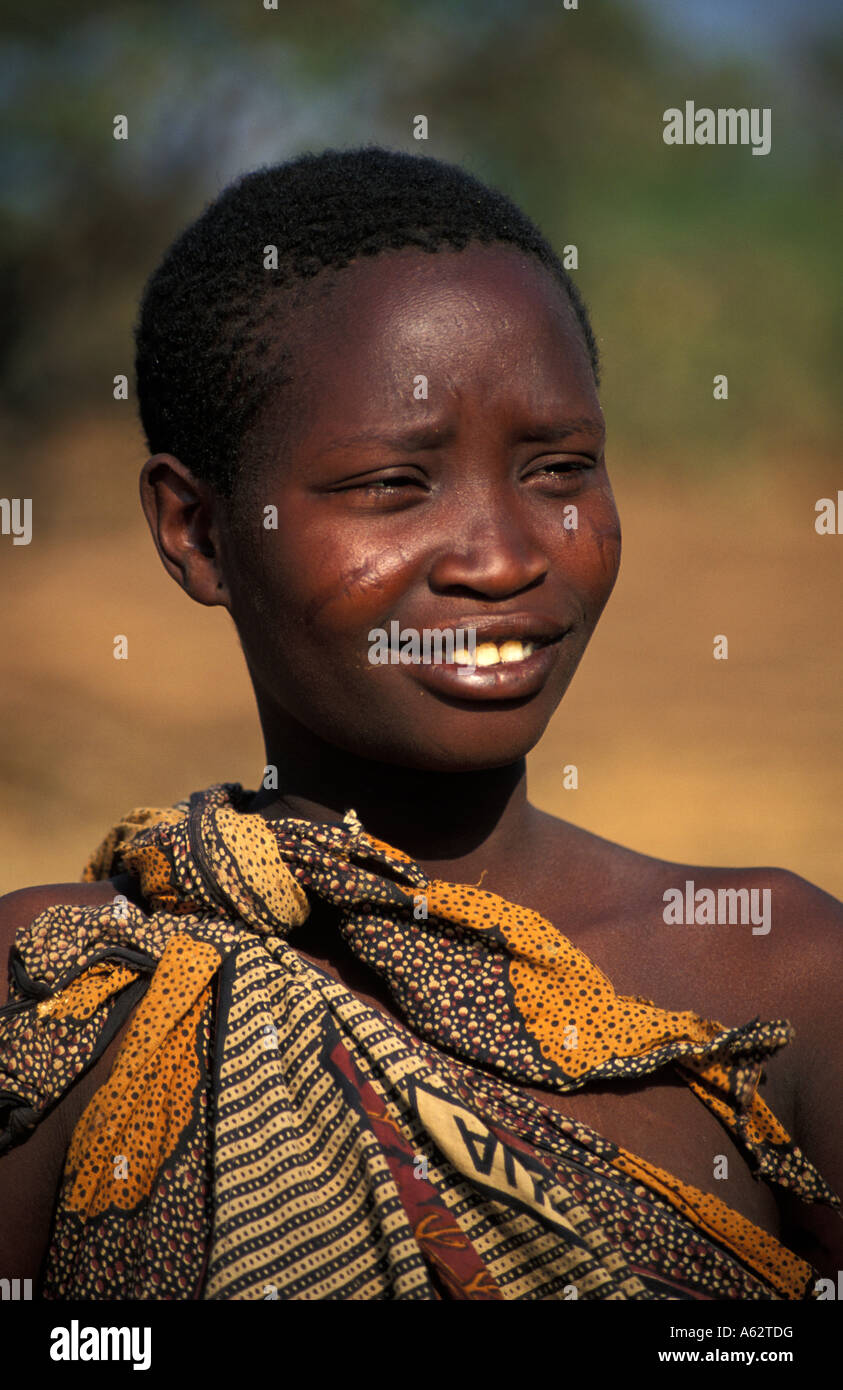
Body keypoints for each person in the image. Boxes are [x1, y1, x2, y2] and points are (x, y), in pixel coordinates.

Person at [0, 146, 840, 1301]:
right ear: (197, 530)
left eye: (559, 470)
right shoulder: (71, 989)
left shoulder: (779, 979)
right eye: (395, 486)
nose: (503, 559)